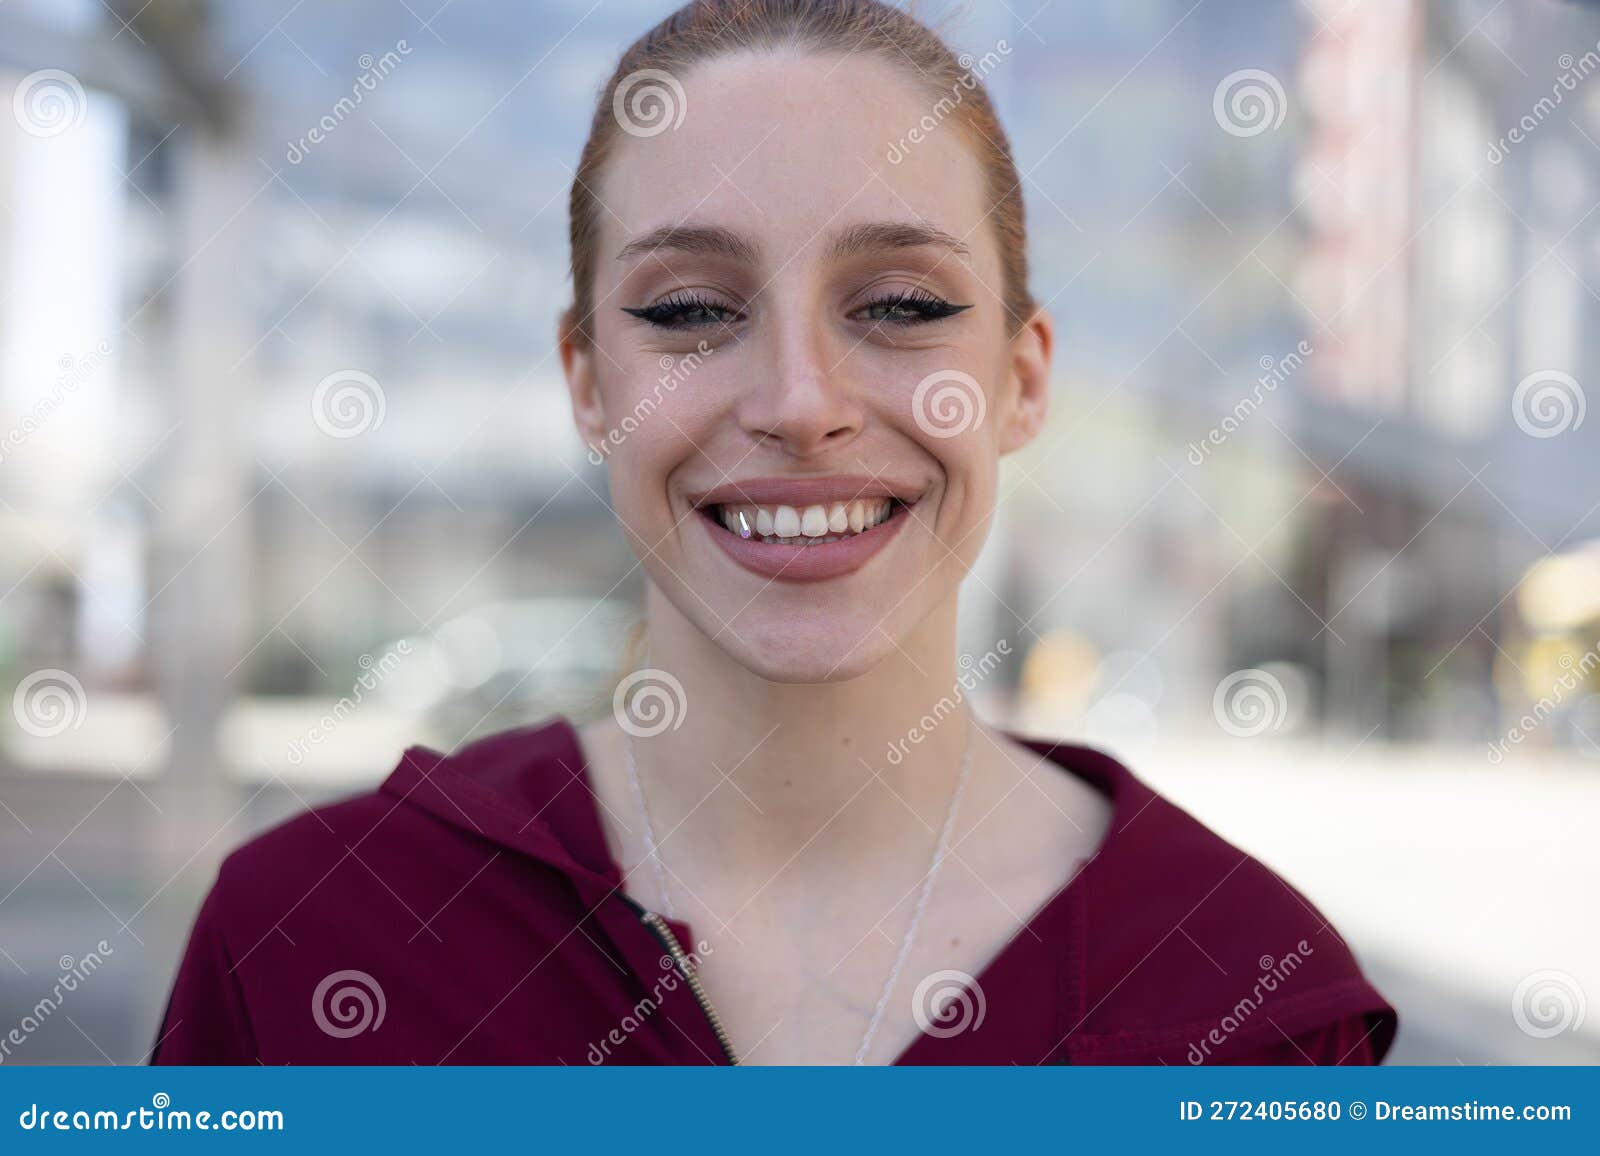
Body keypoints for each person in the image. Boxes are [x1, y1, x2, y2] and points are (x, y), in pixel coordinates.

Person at [153, 0, 1396, 1066]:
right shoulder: (312, 938)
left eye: (901, 304)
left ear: (1021, 382)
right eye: (691, 309)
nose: (800, 403)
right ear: (588, 384)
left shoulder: (1249, 999)